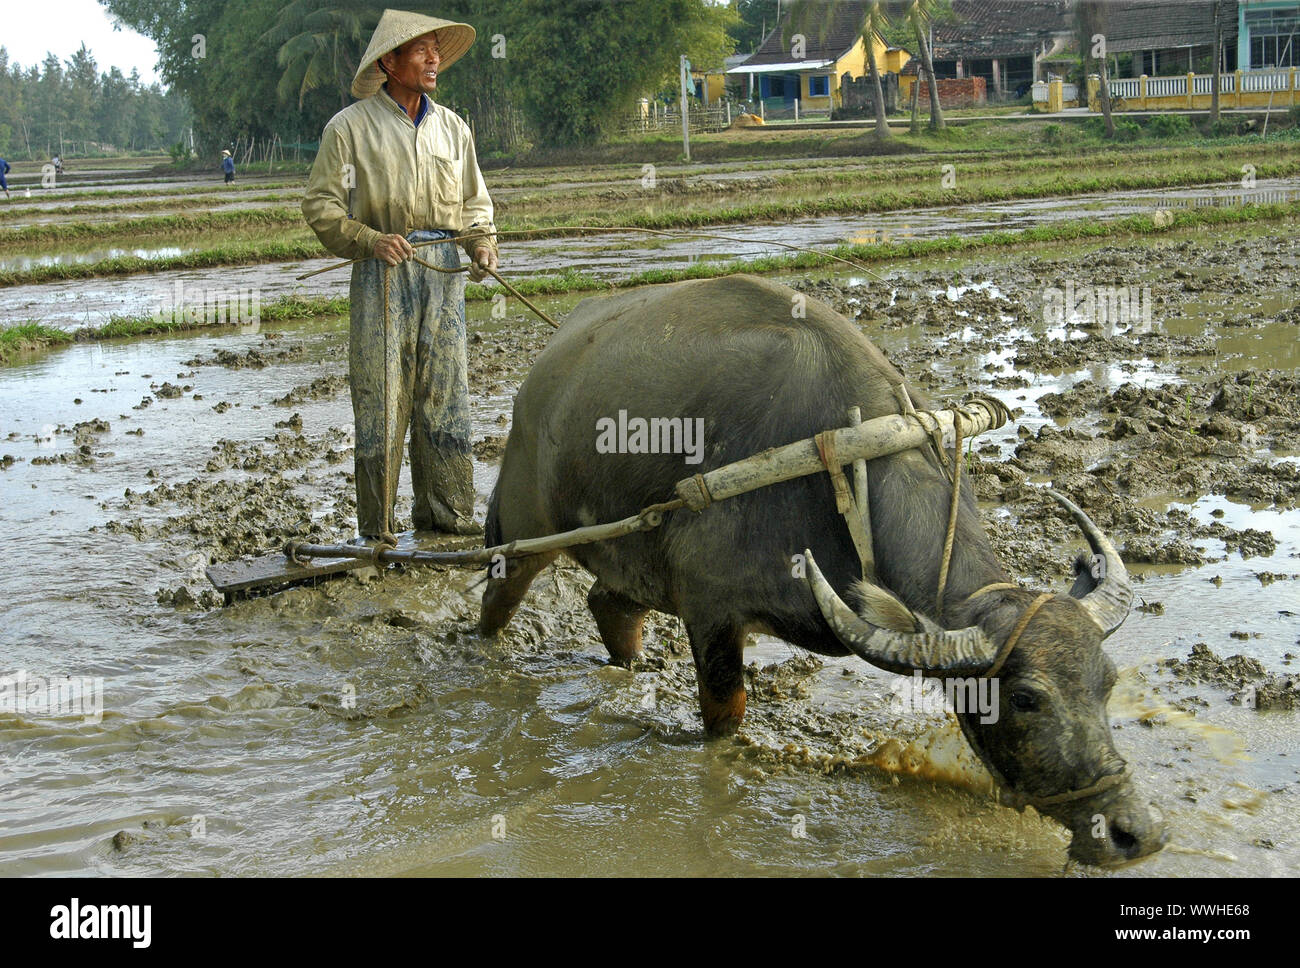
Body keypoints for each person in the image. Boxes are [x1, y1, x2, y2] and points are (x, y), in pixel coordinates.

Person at [303, 9, 498, 543]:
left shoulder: (453, 128)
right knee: (382, 394)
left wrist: (482, 242)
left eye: (437, 49)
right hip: (383, 271)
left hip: (444, 271)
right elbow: (321, 207)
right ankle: (379, 527)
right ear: (389, 62)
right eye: (421, 50)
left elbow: (475, 204)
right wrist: (369, 240)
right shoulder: (349, 129)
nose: (434, 58)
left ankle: (448, 517)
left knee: (446, 394)